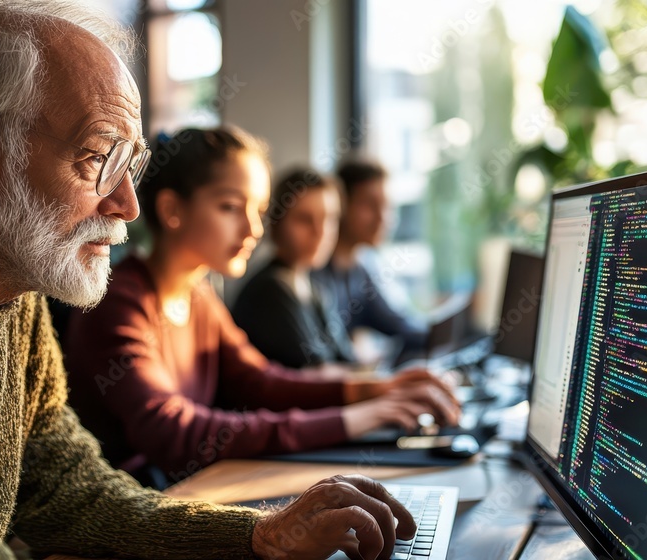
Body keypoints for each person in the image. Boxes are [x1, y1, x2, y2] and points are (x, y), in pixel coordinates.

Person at [0, 3, 430, 558]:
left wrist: (260, 535)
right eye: (99, 158)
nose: (128, 206)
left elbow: (67, 490)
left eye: (129, 168)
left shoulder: (12, 285)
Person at [65, 128, 460, 489]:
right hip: (120, 519)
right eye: (231, 207)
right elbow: (175, 434)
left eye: (258, 209)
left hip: (177, 494)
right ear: (172, 210)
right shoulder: (117, 303)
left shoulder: (198, 295)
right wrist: (363, 416)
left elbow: (261, 382)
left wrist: (379, 389)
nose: (253, 229)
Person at [232, 168, 355, 369]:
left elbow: (346, 360)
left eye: (330, 219)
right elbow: (313, 374)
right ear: (277, 225)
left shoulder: (314, 289)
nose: (321, 232)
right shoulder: (270, 291)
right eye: (305, 219)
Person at [316, 160, 429, 365]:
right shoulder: (312, 273)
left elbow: (398, 324)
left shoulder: (360, 269)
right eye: (370, 205)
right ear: (341, 206)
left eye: (386, 206)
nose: (382, 218)